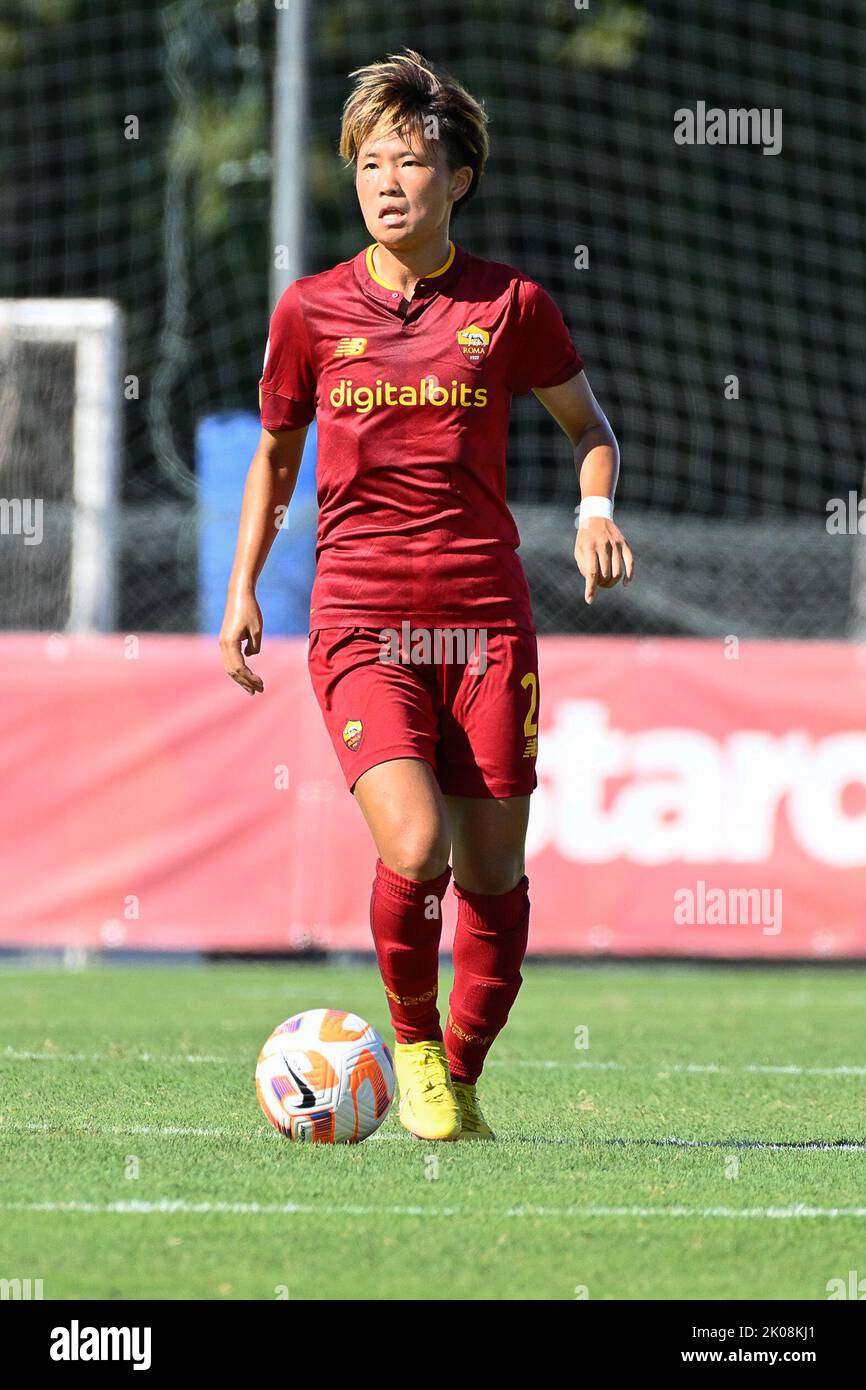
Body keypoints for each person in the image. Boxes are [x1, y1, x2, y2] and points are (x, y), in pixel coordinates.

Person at [219, 49, 634, 1142]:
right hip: (361, 622)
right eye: (366, 163)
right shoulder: (308, 312)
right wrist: (243, 588)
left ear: (457, 177)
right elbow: (273, 456)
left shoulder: (511, 305)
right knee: (414, 850)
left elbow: (589, 431)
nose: (386, 180)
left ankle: (457, 1065)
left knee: (494, 875)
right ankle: (407, 1046)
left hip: (489, 627)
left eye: (410, 160)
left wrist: (593, 511)